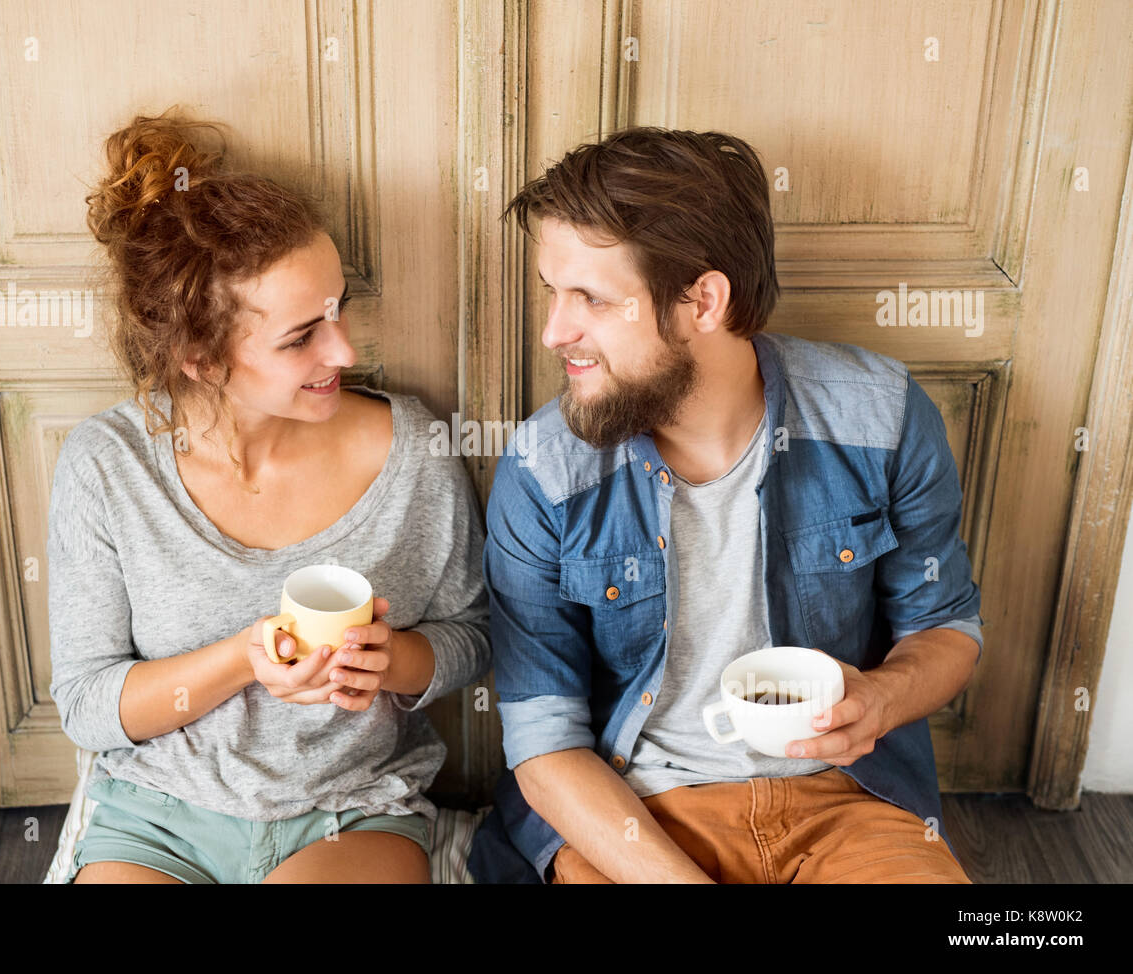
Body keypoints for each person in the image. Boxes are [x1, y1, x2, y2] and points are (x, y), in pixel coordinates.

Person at [467, 127, 983, 884]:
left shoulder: (883, 417)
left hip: (845, 807)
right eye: (553, 289)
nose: (555, 331)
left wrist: (880, 697)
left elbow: (946, 628)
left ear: (703, 301)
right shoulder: (545, 472)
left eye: (592, 300)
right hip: (636, 817)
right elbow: (544, 742)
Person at [49, 108, 490, 884]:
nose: (345, 350)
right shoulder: (107, 467)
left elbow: (473, 636)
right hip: (157, 815)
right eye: (301, 338)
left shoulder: (414, 450)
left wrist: (396, 663)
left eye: (338, 309)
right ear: (200, 358)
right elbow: (88, 704)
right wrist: (248, 659)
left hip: (349, 811)